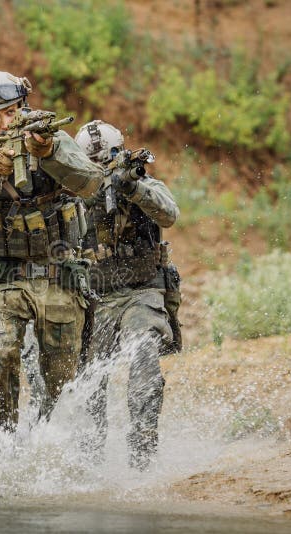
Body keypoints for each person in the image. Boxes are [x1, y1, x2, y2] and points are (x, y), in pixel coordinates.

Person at [0, 71, 103, 432]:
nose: (4, 123)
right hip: (2, 273)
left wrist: (49, 154)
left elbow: (91, 183)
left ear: (23, 107)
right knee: (3, 351)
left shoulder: (50, 134)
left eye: (11, 112)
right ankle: (2, 442)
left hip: (57, 270)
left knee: (60, 374)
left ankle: (47, 438)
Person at [74, 119, 182, 469]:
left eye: (108, 160)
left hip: (142, 292)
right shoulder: (72, 196)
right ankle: (89, 464)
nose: (103, 169)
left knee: (144, 357)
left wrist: (132, 189)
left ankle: (143, 458)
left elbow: (169, 213)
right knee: (90, 380)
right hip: (98, 300)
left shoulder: (143, 183)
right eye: (94, 164)